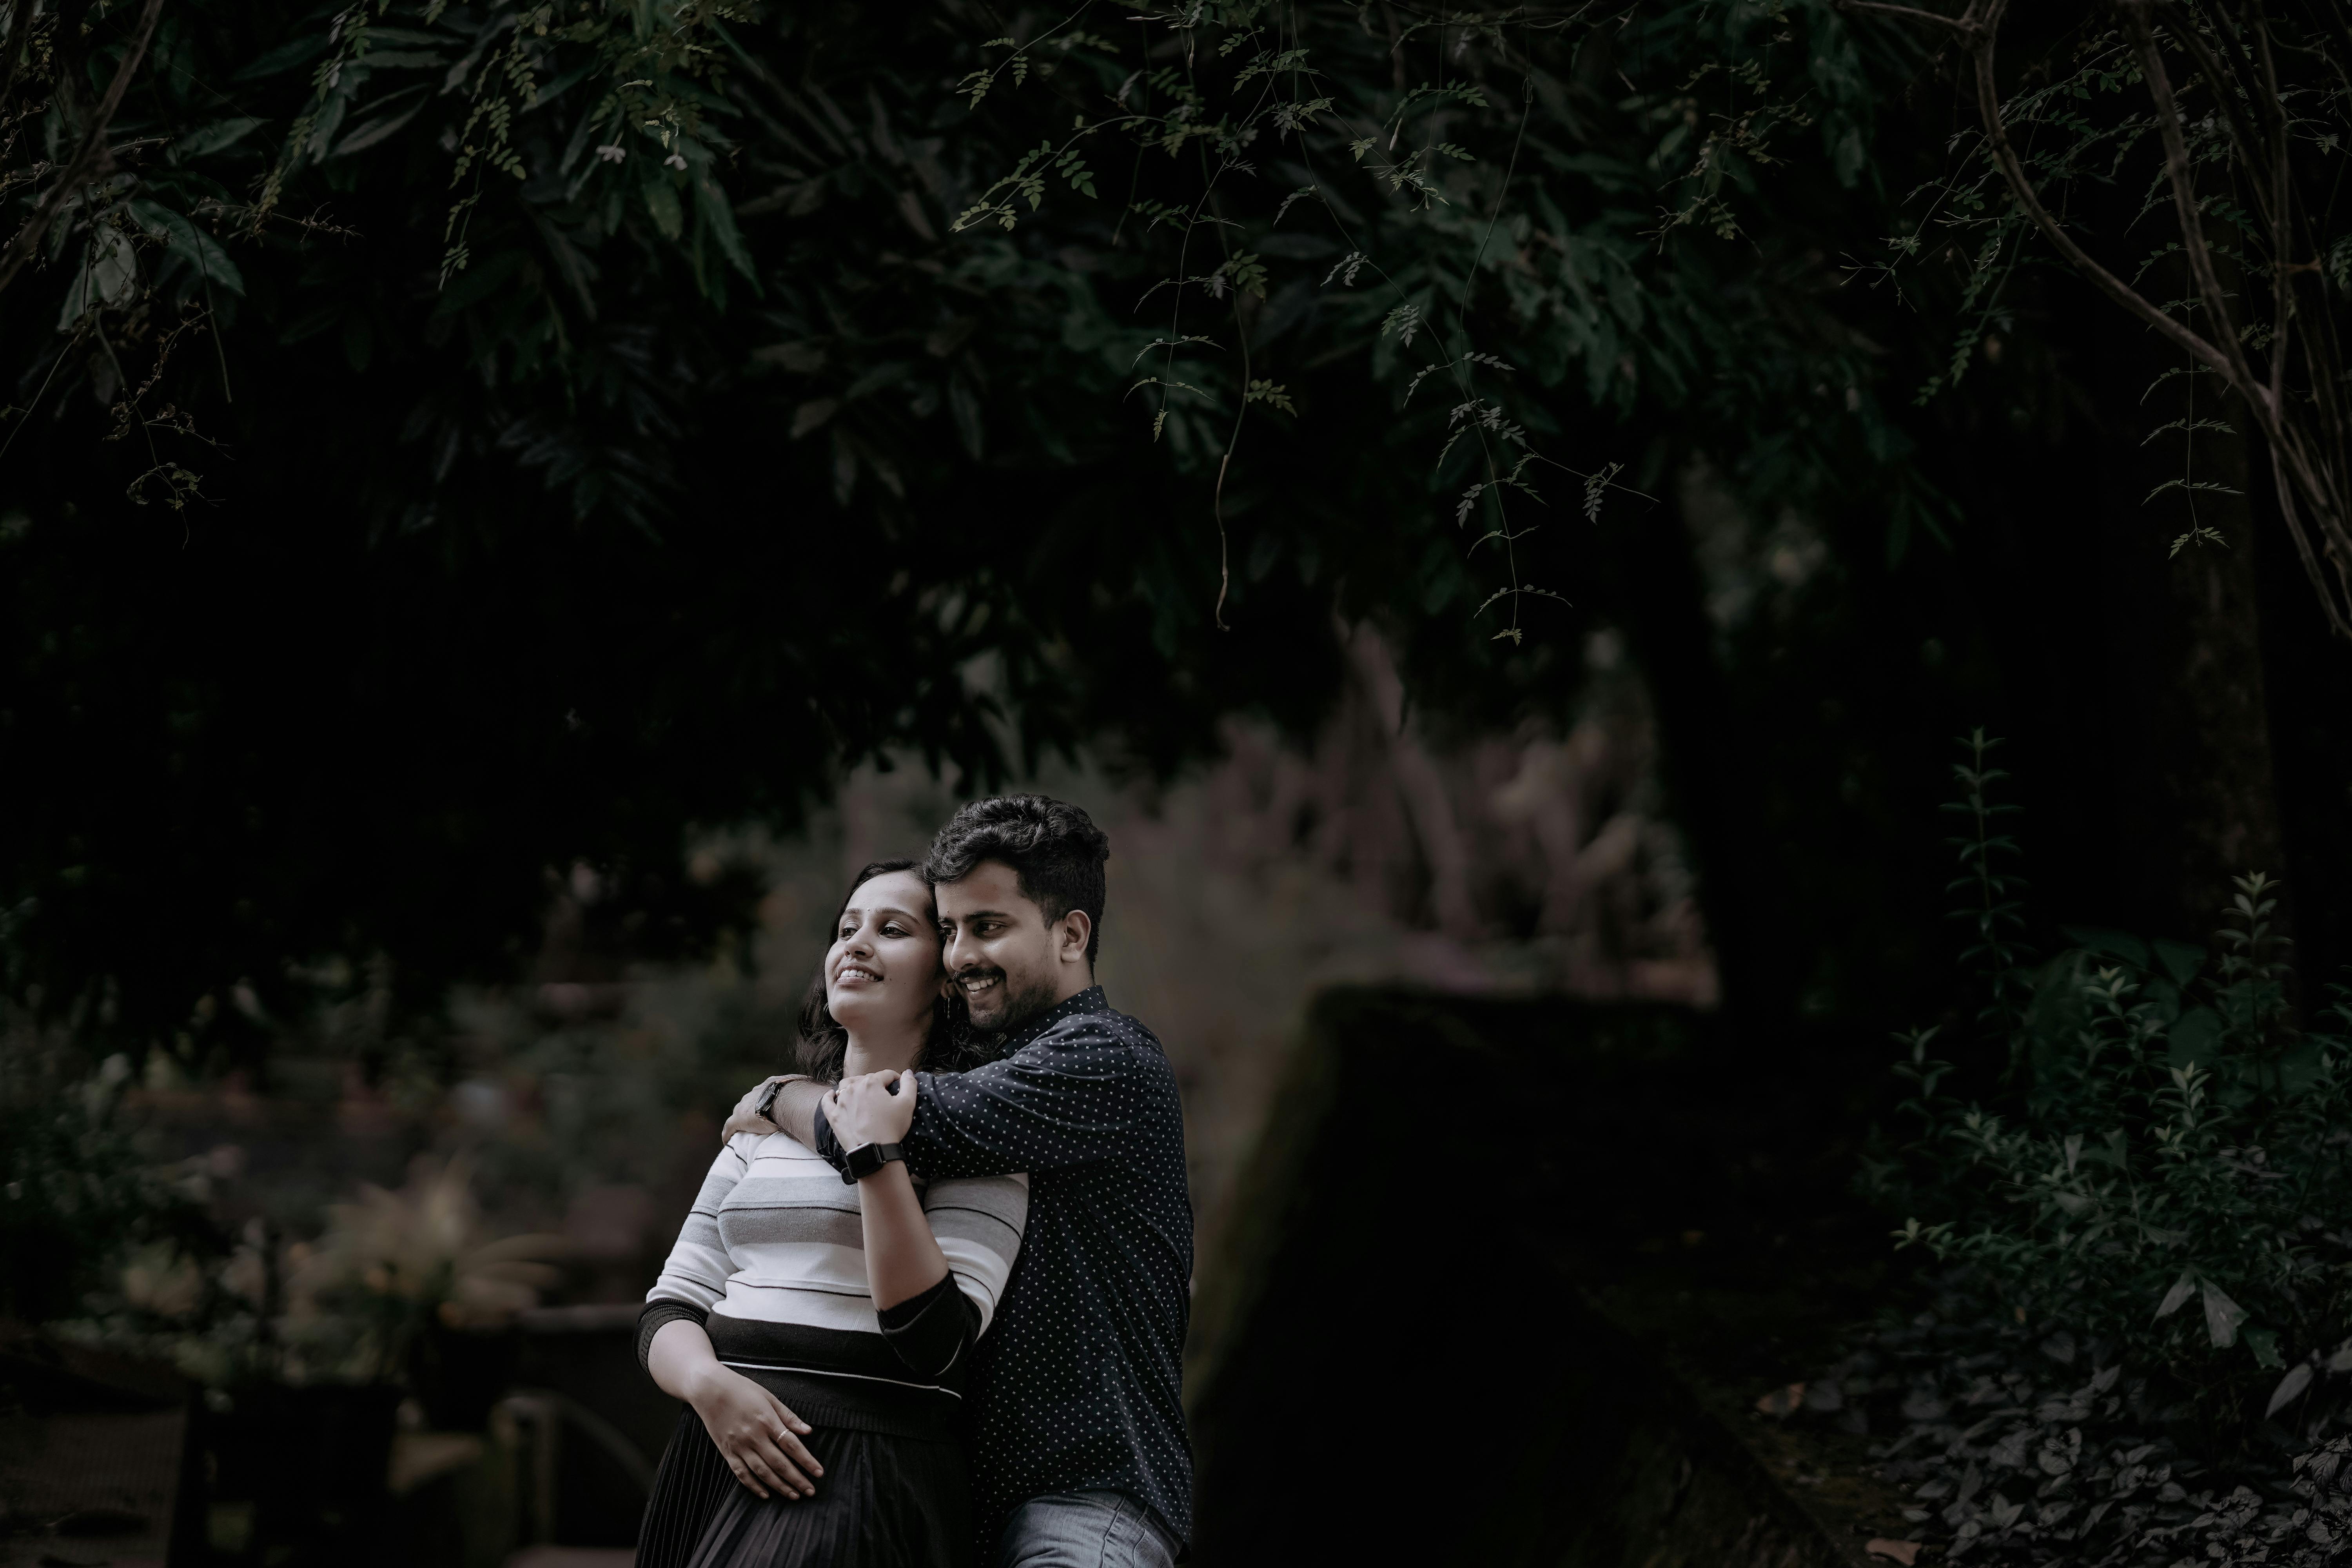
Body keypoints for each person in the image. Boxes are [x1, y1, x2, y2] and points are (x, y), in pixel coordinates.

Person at [730, 796, 1192, 1568]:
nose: (960, 955)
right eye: (948, 931)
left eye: (988, 926)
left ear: (1072, 934)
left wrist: (778, 1095)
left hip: (1083, 1500)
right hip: (963, 1502)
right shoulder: (990, 1066)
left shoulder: (1104, 1057)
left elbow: (876, 1130)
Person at [635, 858, 1029, 1568]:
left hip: (855, 1468)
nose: (858, 944)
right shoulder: (761, 1131)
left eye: (893, 930)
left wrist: (875, 1154)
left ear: (946, 977)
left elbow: (936, 1342)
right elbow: (671, 1306)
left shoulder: (976, 1139)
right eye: (847, 929)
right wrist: (710, 1387)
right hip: (716, 1445)